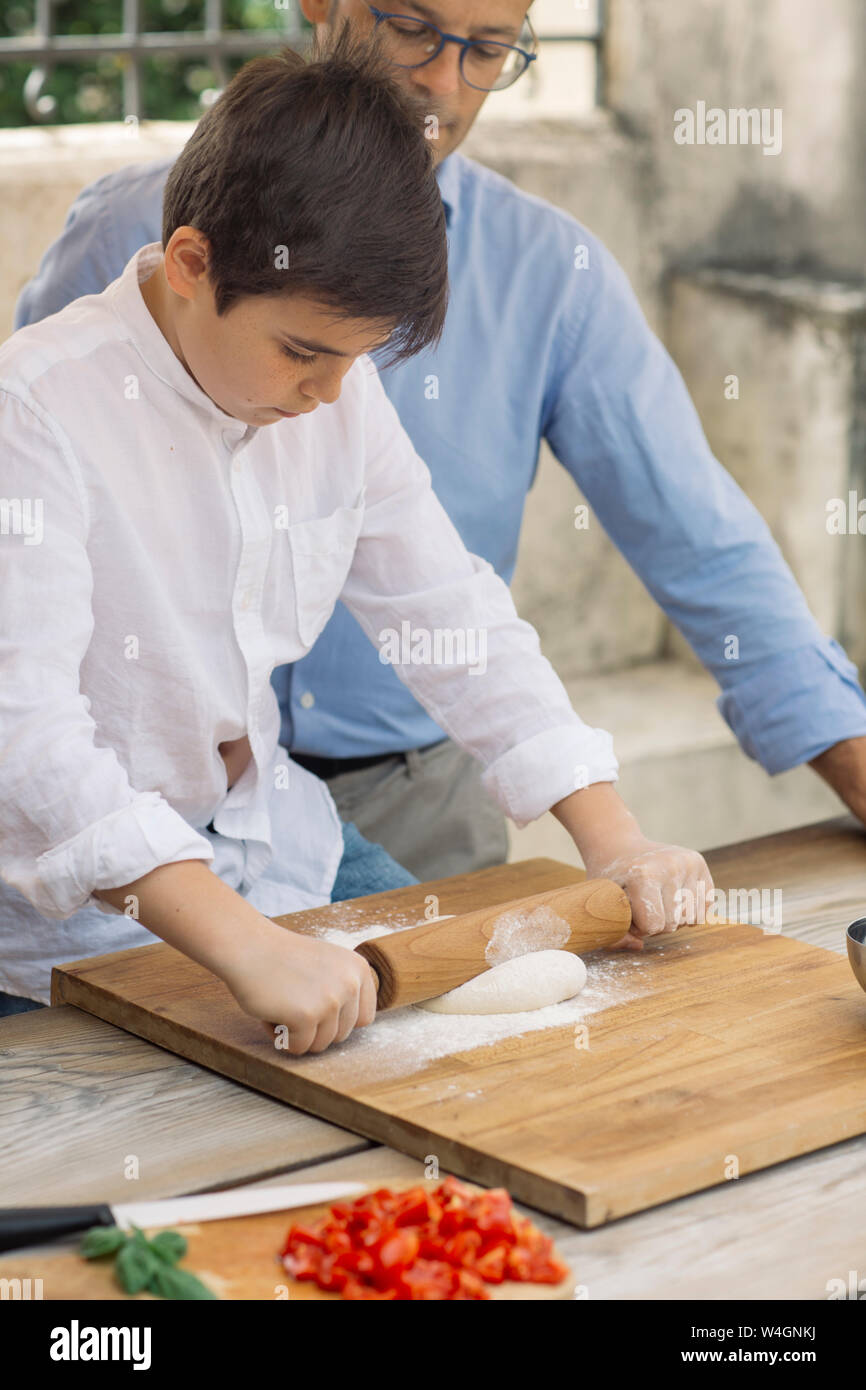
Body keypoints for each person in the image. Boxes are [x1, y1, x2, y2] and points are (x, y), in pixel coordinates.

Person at [15, 0, 866, 885]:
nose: (440, 81)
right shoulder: (99, 285)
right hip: (122, 823)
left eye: (488, 49)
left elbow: (660, 551)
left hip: (391, 805)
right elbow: (29, 661)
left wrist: (614, 826)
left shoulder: (541, 279)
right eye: (415, 28)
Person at [0, 30, 713, 1044]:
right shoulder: (33, 411)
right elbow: (23, 740)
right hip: (60, 924)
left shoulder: (335, 388)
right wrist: (246, 947)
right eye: (303, 353)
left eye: (356, 358)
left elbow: (446, 608)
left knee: (491, 1050)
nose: (331, 392)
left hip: (275, 839)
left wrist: (614, 837)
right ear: (192, 264)